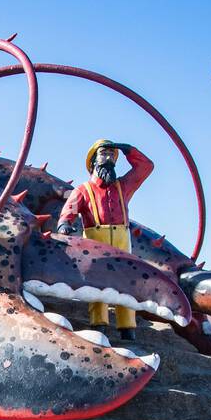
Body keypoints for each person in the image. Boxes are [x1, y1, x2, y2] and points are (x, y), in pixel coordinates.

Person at [56, 139, 154, 341]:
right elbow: (69, 211)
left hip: (121, 239)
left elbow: (146, 167)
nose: (109, 158)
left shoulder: (123, 186)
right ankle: (98, 325)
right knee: (96, 281)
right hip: (95, 240)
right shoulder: (83, 190)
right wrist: (64, 224)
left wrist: (129, 149)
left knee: (126, 281)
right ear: (94, 160)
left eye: (112, 154)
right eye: (104, 154)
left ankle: (127, 328)